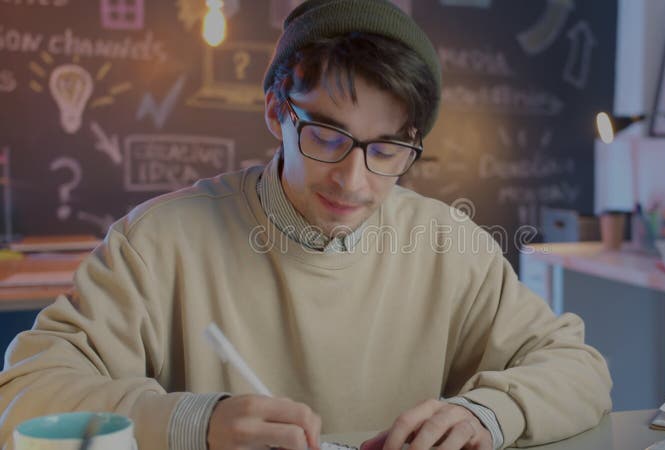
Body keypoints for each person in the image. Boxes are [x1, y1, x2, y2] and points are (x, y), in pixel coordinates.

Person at [0, 1, 612, 449]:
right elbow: (23, 394)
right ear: (276, 112)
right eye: (325, 135)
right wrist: (193, 423)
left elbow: (581, 371)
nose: (353, 180)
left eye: (388, 148)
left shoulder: (452, 246)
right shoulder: (159, 242)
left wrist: (490, 414)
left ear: (415, 142)